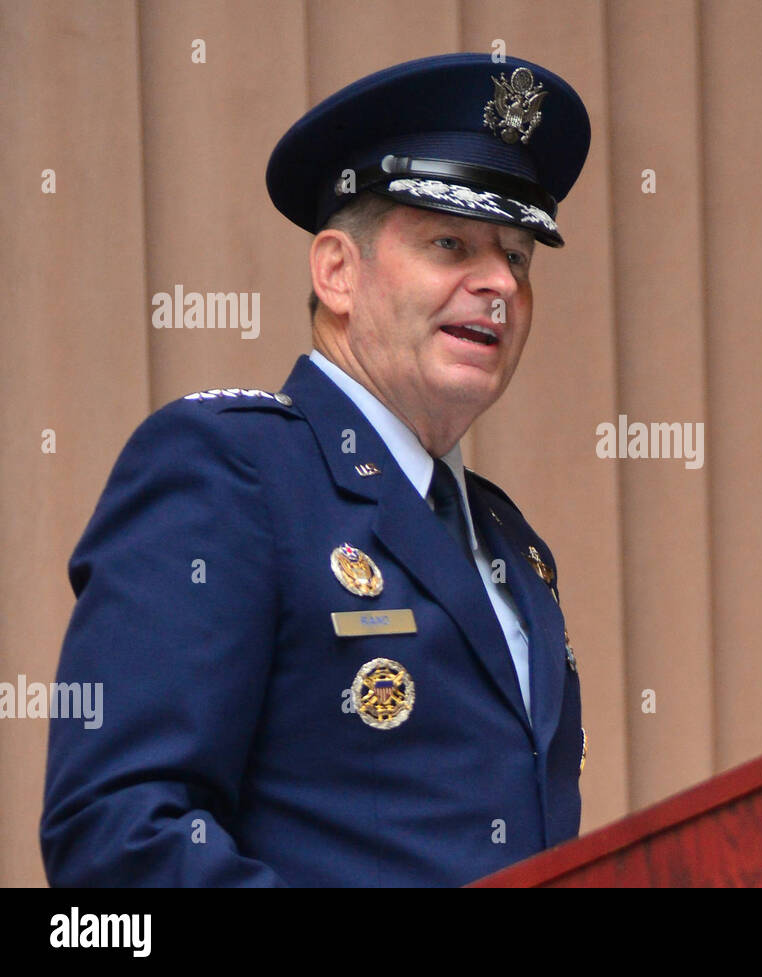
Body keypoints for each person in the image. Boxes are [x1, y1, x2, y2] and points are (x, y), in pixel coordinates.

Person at [40, 52, 589, 887]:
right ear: (337, 271)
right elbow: (119, 833)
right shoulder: (230, 469)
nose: (498, 286)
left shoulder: (510, 541)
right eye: (452, 243)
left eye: (518, 257)